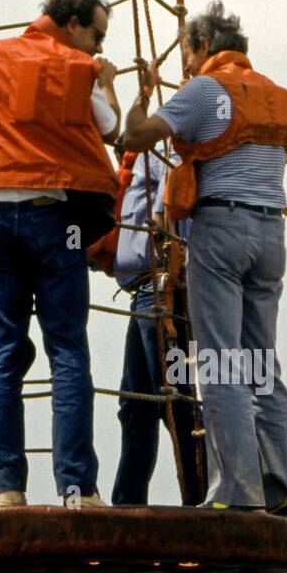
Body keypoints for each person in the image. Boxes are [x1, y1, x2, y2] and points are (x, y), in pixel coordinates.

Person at [124, 1, 287, 515]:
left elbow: (133, 136)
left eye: (187, 52)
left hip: (221, 228)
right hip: (271, 232)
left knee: (220, 363)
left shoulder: (204, 88)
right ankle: (278, 485)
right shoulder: (275, 95)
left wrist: (144, 91)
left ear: (203, 46)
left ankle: (236, 491)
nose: (186, 63)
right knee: (262, 362)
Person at [0, 0, 121, 508]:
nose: (97, 46)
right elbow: (112, 127)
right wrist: (108, 81)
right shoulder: (80, 68)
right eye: (96, 34)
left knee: (1, 356)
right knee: (68, 349)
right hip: (55, 218)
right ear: (72, 24)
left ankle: (5, 488)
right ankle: (77, 487)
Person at [99, 146, 206, 507]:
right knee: (136, 406)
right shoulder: (133, 169)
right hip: (145, 294)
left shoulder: (161, 154)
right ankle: (128, 503)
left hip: (163, 290)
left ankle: (200, 494)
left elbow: (174, 199)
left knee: (175, 399)